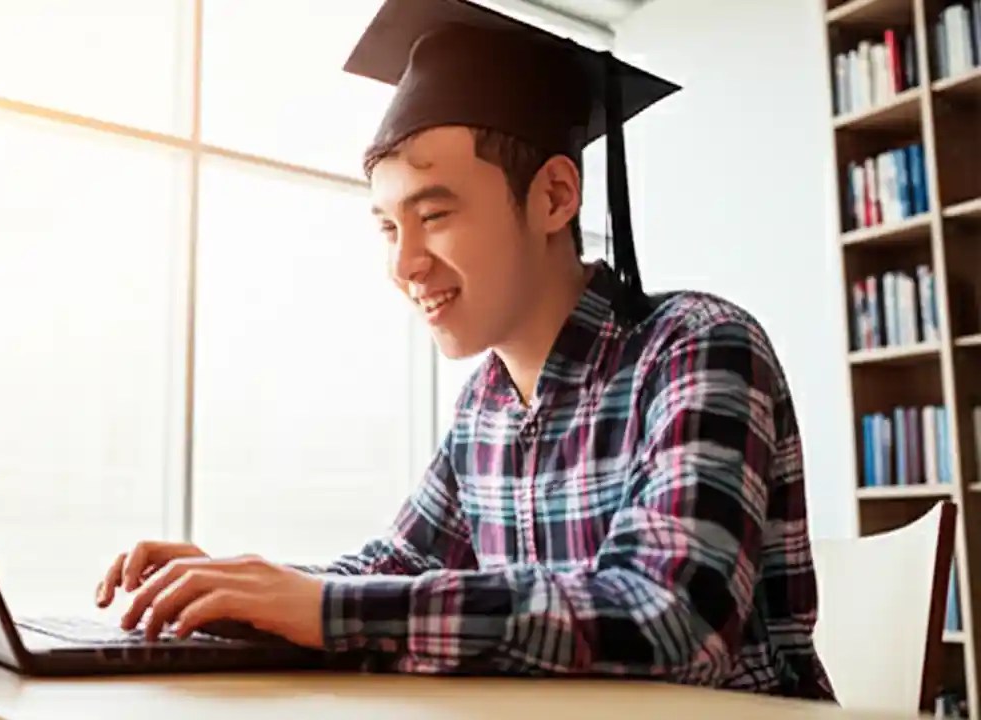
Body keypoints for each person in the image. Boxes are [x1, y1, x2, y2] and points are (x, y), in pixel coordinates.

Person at [93, 0, 835, 700]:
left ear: (553, 198)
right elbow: (393, 571)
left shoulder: (696, 347)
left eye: (436, 214)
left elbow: (672, 616)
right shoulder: (486, 401)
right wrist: (239, 590)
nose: (404, 263)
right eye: (388, 227)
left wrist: (323, 606)